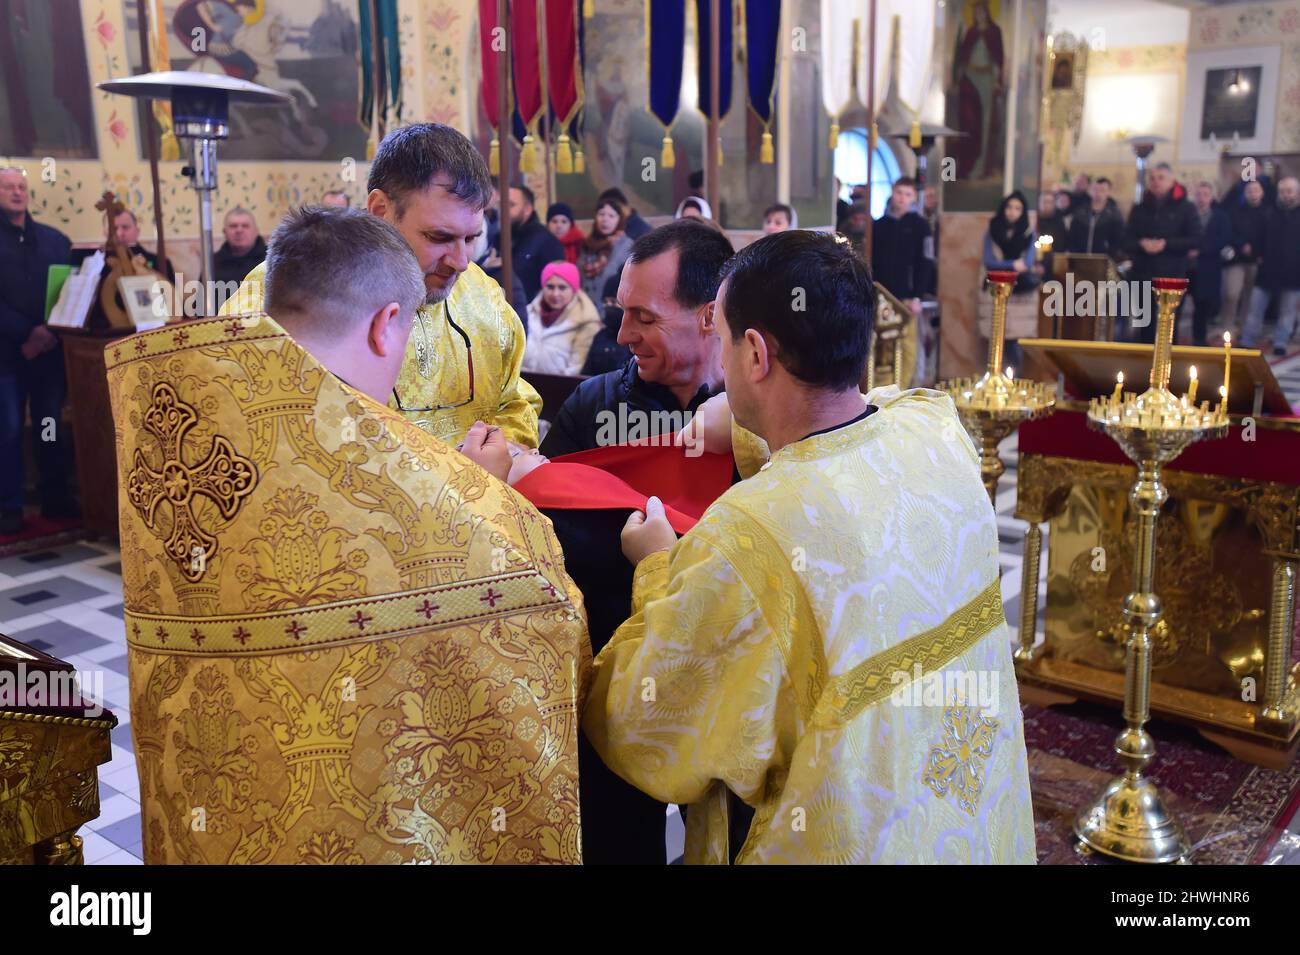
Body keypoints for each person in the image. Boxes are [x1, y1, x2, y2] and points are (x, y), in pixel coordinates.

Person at [107, 205, 590, 865]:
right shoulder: (434, 495)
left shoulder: (175, 435)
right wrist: (475, 494)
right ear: (388, 322)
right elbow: (550, 624)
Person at [583, 229, 1036, 864]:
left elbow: (638, 726)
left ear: (756, 355)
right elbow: (866, 415)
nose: (718, 364)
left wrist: (659, 565)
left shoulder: (747, 537)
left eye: (722, 344)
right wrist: (745, 431)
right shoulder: (935, 428)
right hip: (969, 822)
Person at [220, 123, 542, 449]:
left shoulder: (483, 295)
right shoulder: (289, 285)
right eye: (439, 237)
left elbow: (515, 401)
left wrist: (499, 454)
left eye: (471, 238)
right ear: (380, 210)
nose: (460, 261)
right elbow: (242, 419)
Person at [543, 219, 734, 457]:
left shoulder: (755, 420)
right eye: (623, 310)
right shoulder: (592, 405)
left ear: (710, 317)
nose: (623, 337)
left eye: (645, 317)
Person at [0, 167, 76, 535]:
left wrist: (47, 334)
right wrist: (25, 333)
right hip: (6, 357)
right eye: (8, 187)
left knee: (48, 426)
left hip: (47, 354)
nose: (17, 193)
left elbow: (68, 292)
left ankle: (55, 496)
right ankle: (10, 505)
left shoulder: (55, 241)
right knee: (9, 429)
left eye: (21, 187)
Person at [1125, 162, 1202, 343]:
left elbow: (1196, 239)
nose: (1156, 182)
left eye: (1161, 178)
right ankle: (1143, 368)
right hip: (1142, 275)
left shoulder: (1186, 208)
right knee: (1144, 327)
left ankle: (1167, 369)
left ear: (1171, 181)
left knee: (1167, 328)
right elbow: (1125, 239)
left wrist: (1166, 244)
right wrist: (1141, 243)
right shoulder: (1139, 208)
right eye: (1152, 178)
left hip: (1171, 276)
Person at [1243, 176, 1300, 355]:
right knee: (1256, 307)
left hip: (1293, 270)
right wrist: (1257, 254)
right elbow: (1257, 237)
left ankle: (1281, 341)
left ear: (1297, 193)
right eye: (1283, 191)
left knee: (1287, 311)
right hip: (1268, 268)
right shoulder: (1269, 213)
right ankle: (1247, 339)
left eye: (1289, 191)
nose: (1286, 195)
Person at [522, 261, 601, 376]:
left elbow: (575, 369)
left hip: (560, 390)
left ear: (574, 290)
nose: (555, 294)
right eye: (550, 287)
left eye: (562, 288)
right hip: (524, 389)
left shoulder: (586, 322)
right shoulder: (529, 313)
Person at [872, 177, 934, 306]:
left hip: (909, 295)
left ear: (914, 197)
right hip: (881, 292)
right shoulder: (878, 225)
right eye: (899, 192)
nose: (902, 198)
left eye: (907, 194)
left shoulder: (922, 226)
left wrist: (918, 296)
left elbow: (927, 260)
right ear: (892, 192)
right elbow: (873, 258)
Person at [1187, 181, 1232, 347]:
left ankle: (1199, 338)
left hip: (1207, 266)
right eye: (1199, 194)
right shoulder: (1188, 214)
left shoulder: (1220, 216)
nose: (1202, 198)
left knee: (1202, 305)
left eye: (1206, 195)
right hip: (1185, 266)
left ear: (1212, 197)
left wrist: (1201, 250)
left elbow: (1223, 239)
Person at [508, 184, 566, 302]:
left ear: (527, 209)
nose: (503, 210)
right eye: (500, 205)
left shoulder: (547, 242)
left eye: (510, 205)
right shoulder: (500, 237)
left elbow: (556, 286)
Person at [1223, 180, 1268, 332]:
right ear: (1245, 193)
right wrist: (1242, 245)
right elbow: (1229, 231)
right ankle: (1228, 325)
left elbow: (1268, 236)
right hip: (1237, 258)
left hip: (1257, 259)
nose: (1253, 194)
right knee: (1231, 293)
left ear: (1262, 193)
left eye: (1256, 190)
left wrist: (1256, 249)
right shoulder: (1235, 210)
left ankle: (1243, 326)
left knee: (1250, 296)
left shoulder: (1268, 212)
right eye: (1250, 191)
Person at [576, 197, 633, 304]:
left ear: (619, 219)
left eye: (611, 216)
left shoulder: (627, 247)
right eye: (601, 214)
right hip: (586, 309)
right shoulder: (587, 244)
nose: (605, 219)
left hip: (613, 310)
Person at [984, 191, 1038, 292]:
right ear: (1003, 208)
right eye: (1009, 207)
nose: (1012, 212)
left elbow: (1027, 263)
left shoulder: (1028, 233)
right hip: (997, 277)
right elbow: (989, 261)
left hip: (1020, 279)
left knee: (1030, 281)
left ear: (1023, 212)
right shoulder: (993, 230)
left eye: (1017, 208)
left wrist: (1004, 264)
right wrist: (1012, 264)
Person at [212, 207, 266, 308]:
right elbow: (199, 306)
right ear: (225, 232)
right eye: (233, 226)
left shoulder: (270, 261)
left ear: (256, 231)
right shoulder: (212, 263)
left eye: (245, 226)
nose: (239, 230)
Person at [580, 273, 632, 377]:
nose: (608, 306)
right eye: (605, 302)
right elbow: (585, 374)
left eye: (613, 302)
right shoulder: (600, 336)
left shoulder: (634, 340)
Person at [1063, 177, 1124, 259]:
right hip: (1080, 259)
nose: (1098, 193)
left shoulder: (1114, 215)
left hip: (1103, 260)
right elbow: (1072, 237)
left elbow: (1117, 241)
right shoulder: (1080, 212)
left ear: (1108, 192)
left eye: (1102, 190)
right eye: (1095, 189)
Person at [108, 208, 175, 281]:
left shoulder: (160, 262)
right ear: (104, 232)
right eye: (114, 229)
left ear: (137, 231)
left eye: (125, 227)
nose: (120, 233)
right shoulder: (99, 264)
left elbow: (170, 291)